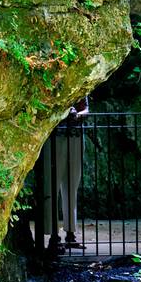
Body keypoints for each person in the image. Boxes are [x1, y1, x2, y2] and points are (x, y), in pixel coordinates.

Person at [44, 98, 88, 250]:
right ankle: (53, 236)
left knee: (72, 185)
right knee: (51, 185)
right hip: (55, 136)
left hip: (75, 134)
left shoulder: (82, 86)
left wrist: (77, 114)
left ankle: (70, 234)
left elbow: (86, 109)